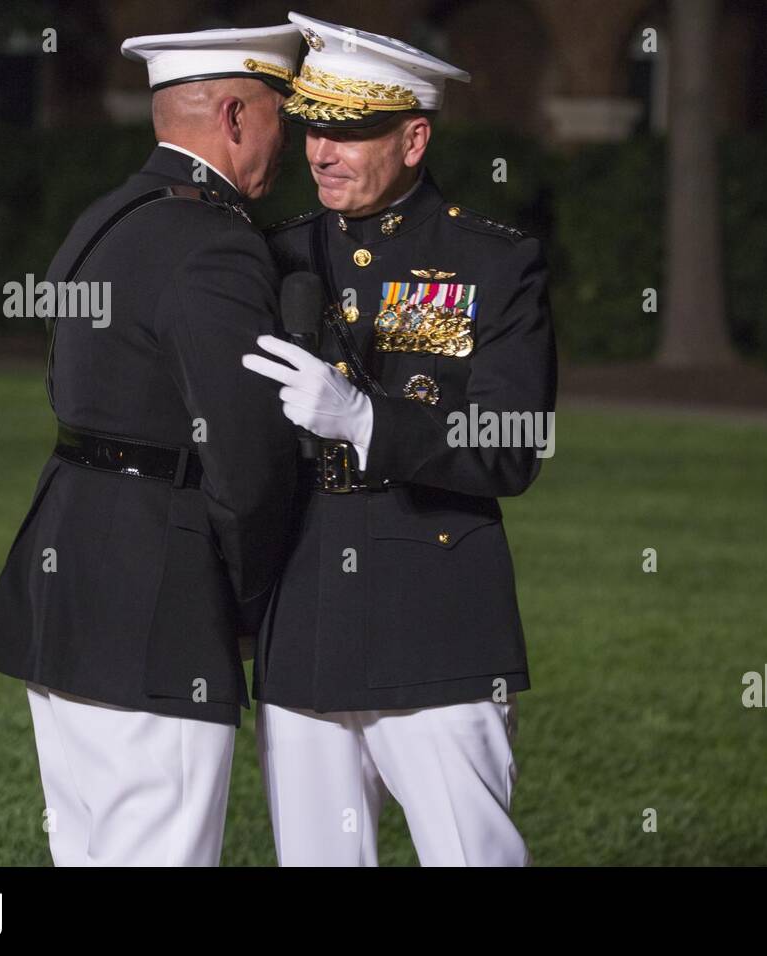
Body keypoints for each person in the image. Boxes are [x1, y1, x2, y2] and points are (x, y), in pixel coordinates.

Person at [0, 24, 302, 866]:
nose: (290, 140)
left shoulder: (107, 216)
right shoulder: (216, 244)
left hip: (69, 583)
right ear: (234, 115)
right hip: (157, 602)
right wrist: (255, 608)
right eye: (281, 116)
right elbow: (248, 463)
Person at [242, 12, 557, 866]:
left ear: (414, 138)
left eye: (351, 130)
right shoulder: (273, 258)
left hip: (434, 611)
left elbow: (514, 442)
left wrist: (367, 420)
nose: (321, 151)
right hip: (300, 609)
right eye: (313, 126)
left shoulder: (489, 262)